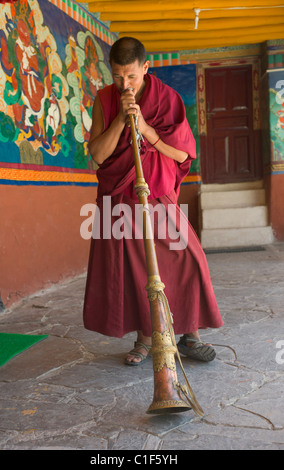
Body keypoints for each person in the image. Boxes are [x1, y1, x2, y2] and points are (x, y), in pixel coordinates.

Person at [83, 37, 223, 365]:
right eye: (117, 77)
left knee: (189, 259)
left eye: (131, 76)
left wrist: (145, 129)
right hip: (121, 201)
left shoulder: (166, 99)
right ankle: (144, 339)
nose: (124, 84)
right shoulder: (104, 100)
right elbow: (99, 155)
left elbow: (183, 153)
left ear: (145, 68)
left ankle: (190, 335)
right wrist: (120, 119)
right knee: (135, 271)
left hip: (157, 194)